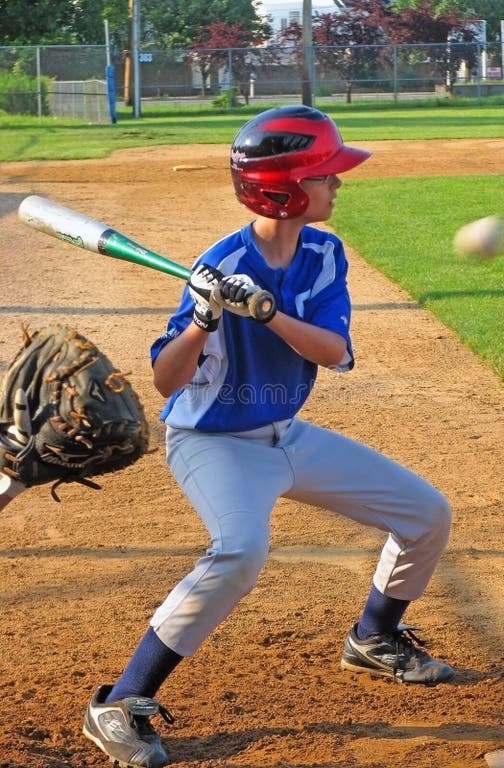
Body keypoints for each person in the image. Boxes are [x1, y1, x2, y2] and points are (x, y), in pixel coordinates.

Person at [82, 105, 454, 768]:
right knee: (242, 548)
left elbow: (334, 350)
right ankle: (119, 701)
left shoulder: (321, 252)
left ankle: (374, 637)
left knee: (426, 513)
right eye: (326, 174)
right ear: (282, 190)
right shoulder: (219, 262)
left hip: (287, 435)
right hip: (213, 443)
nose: (338, 183)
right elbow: (168, 383)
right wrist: (201, 319)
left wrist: (267, 311)